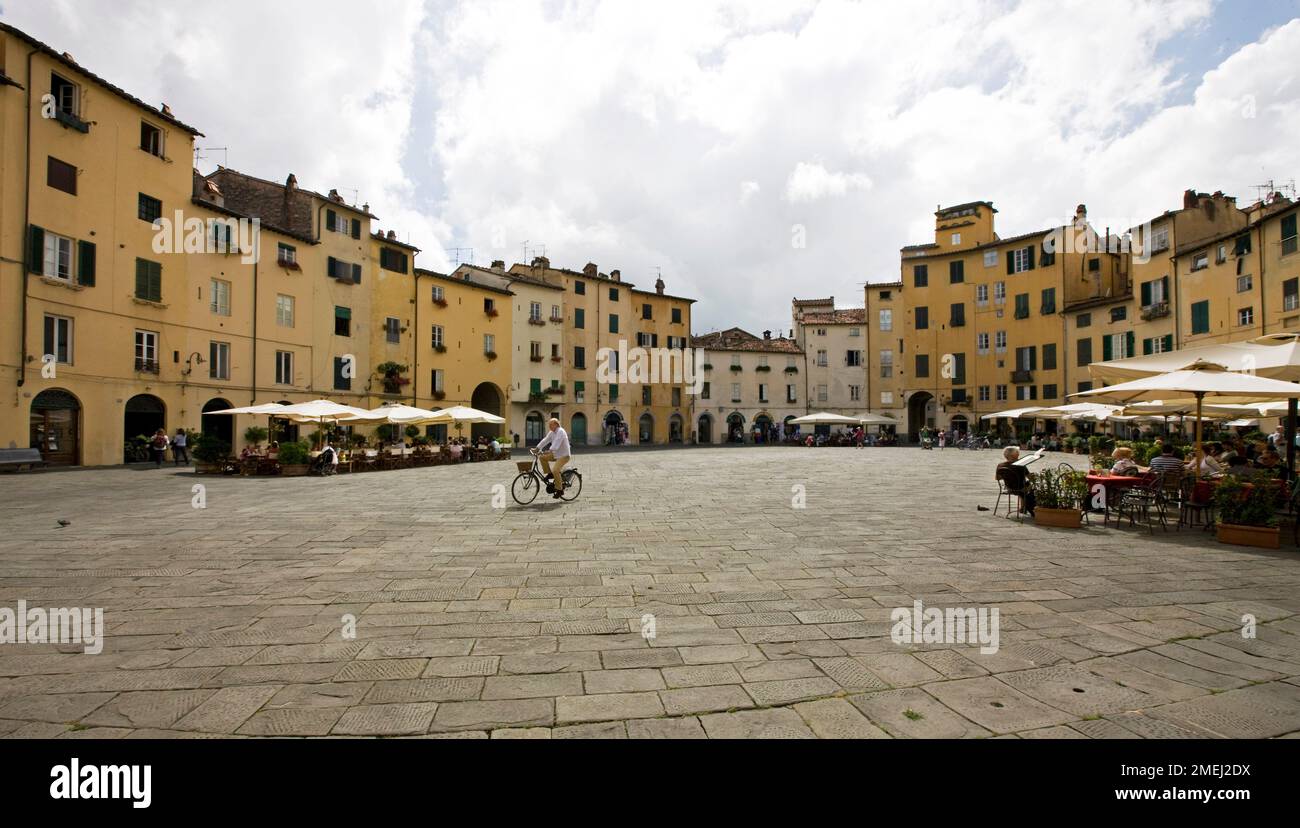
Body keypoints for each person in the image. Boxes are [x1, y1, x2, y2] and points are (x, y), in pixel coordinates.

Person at [534, 417, 571, 499]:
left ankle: (559, 490)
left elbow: (556, 444)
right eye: (549, 425)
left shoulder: (561, 431)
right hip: (555, 454)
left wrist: (549, 450)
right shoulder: (552, 432)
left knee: (555, 470)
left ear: (556, 424)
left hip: (564, 455)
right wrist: (537, 449)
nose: (549, 427)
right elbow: (545, 440)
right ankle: (550, 474)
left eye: (551, 425)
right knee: (542, 458)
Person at [995, 446, 1035, 515]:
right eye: (1017, 453)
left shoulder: (1000, 465)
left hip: (1009, 488)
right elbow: (1030, 478)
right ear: (1013, 455)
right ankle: (1031, 507)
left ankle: (1023, 508)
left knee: (1020, 484)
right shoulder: (1021, 465)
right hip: (1021, 488)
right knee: (1032, 485)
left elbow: (997, 478)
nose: (1019, 455)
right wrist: (1033, 476)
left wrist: (1007, 474)